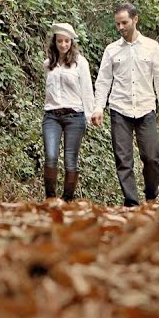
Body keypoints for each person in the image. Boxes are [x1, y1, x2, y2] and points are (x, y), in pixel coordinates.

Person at [90, 3, 159, 207]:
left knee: (151, 158)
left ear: (135, 20)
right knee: (123, 160)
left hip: (146, 109)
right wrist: (98, 107)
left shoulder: (152, 47)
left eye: (124, 22)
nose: (121, 27)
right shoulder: (111, 50)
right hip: (120, 109)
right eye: (117, 24)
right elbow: (103, 81)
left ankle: (151, 196)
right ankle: (131, 203)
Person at [41, 22, 95, 202]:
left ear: (72, 42)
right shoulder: (48, 64)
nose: (63, 45)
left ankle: (67, 201)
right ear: (54, 42)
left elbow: (87, 90)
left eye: (66, 41)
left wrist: (90, 116)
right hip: (52, 116)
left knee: (70, 159)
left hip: (75, 116)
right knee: (50, 155)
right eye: (59, 41)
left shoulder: (80, 63)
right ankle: (50, 199)